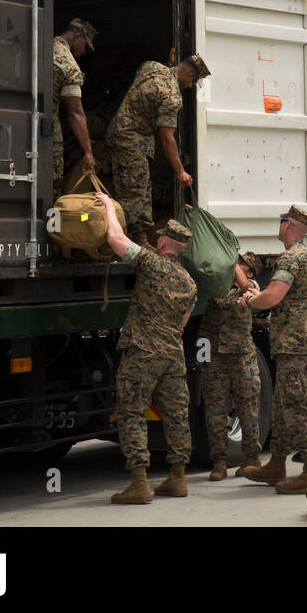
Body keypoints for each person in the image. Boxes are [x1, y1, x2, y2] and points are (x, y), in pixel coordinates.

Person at [97, 196, 196, 505]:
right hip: (172, 355)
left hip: (143, 353)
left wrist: (109, 207)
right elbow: (181, 322)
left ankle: (139, 483)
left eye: (159, 236)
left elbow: (116, 239)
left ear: (165, 241)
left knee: (131, 410)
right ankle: (177, 478)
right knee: (176, 414)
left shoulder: (151, 264)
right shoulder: (190, 283)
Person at [239, 206, 307, 495]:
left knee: (300, 405)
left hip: (293, 344)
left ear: (289, 225)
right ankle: (276, 464)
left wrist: (250, 301)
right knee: (282, 406)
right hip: (299, 343)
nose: (279, 226)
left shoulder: (291, 258)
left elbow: (273, 296)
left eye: (282, 222)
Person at [105, 54, 210, 243]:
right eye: (192, 80)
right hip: (131, 141)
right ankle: (135, 243)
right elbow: (167, 137)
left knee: (126, 187)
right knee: (137, 193)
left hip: (116, 131)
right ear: (187, 72)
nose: (189, 85)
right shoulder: (172, 97)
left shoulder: (151, 67)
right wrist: (180, 172)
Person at [200, 251, 263, 481]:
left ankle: (252, 457)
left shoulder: (250, 287)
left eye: (241, 264)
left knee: (247, 409)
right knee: (215, 409)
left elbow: (235, 292)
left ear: (250, 271)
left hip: (241, 356)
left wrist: (229, 259)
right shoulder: (217, 284)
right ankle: (219, 462)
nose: (236, 265)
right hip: (215, 356)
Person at [51, 18, 97, 197]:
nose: (84, 53)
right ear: (77, 37)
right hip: (47, 131)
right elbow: (75, 113)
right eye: (85, 46)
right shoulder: (69, 66)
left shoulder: (42, 45)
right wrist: (88, 152)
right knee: (52, 184)